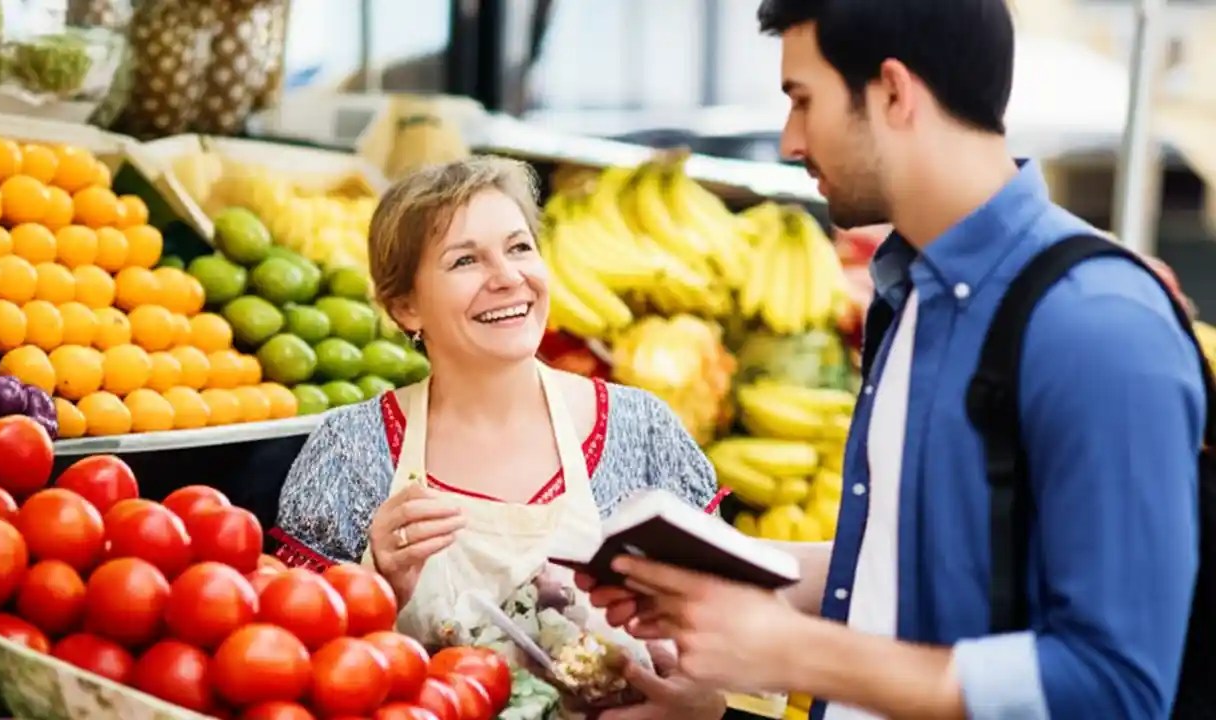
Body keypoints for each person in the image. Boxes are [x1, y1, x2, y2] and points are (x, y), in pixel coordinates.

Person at [579, 1, 1205, 719]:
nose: (789, 141)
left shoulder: (1096, 323)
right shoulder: (910, 296)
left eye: (802, 101)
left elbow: (1116, 687)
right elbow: (891, 574)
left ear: (893, 93)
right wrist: (727, 583)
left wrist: (791, 651)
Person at [270, 155, 727, 719]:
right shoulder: (351, 452)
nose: (508, 277)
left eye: (519, 248)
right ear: (405, 307)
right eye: (466, 260)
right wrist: (376, 583)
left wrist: (703, 704)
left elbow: (723, 631)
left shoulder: (644, 432)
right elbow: (288, 668)